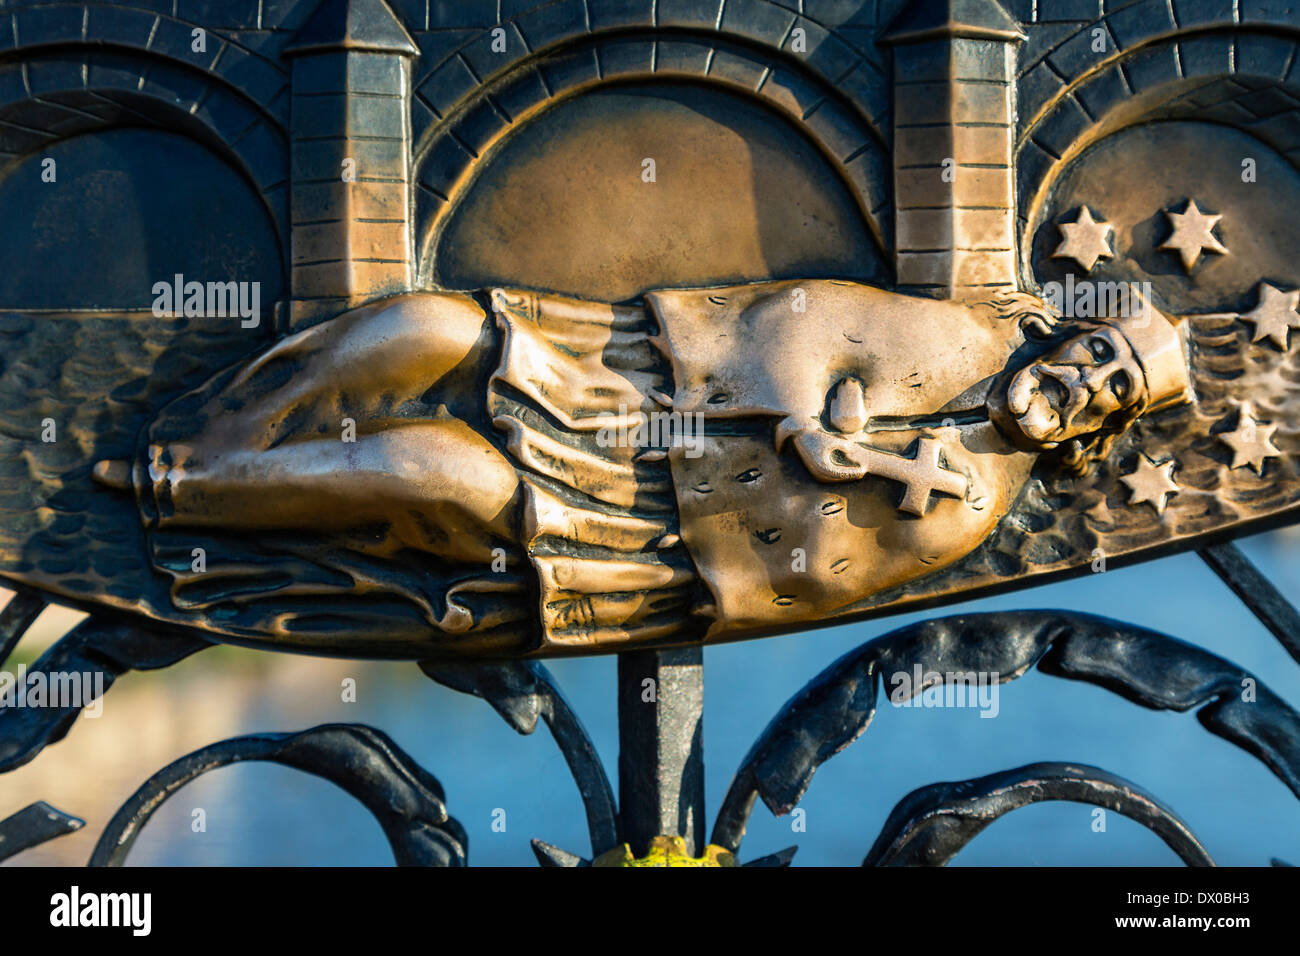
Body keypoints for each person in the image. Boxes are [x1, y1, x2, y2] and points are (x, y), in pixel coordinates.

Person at [94, 279, 1192, 653]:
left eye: (1110, 392)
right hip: (638, 376)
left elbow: (800, 574)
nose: (1083, 383)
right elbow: (802, 317)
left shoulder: (970, 510)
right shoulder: (959, 336)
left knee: (440, 474)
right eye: (1093, 354)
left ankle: (177, 491)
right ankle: (211, 430)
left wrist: (842, 476)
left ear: (1103, 425)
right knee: (428, 325)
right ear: (1065, 336)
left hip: (637, 524)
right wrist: (812, 415)